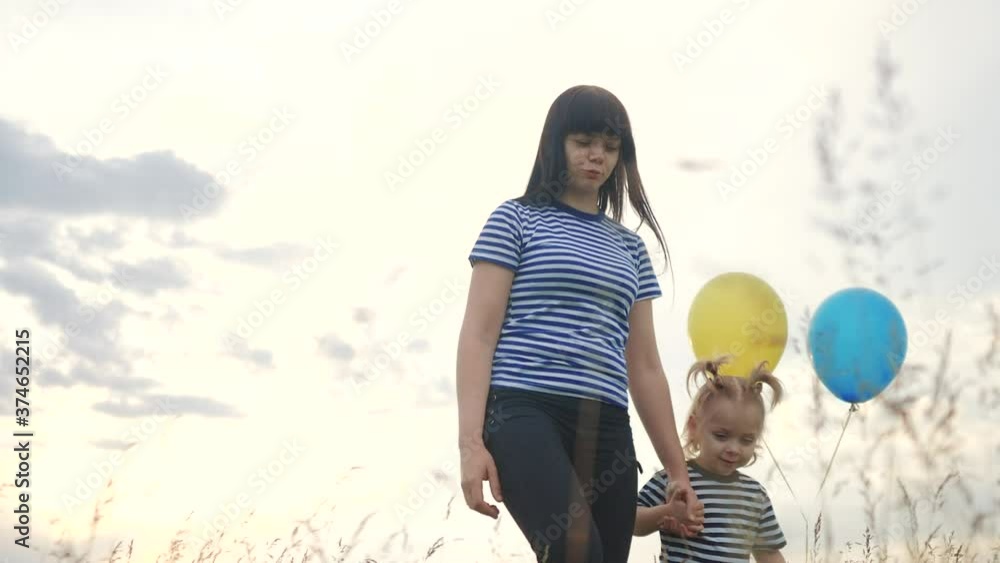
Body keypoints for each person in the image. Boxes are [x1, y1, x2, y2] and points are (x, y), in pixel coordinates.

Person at [456, 84, 704, 562]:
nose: (598, 157)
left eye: (611, 148)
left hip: (607, 421)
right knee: (577, 553)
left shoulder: (631, 249)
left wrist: (678, 473)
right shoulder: (515, 221)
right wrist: (470, 445)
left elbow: (646, 365)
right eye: (584, 142)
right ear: (557, 145)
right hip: (524, 410)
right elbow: (478, 335)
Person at [634, 356, 788, 563]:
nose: (733, 449)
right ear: (694, 427)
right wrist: (667, 512)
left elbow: (769, 554)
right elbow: (632, 521)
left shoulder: (755, 495)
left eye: (746, 440)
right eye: (721, 436)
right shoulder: (675, 480)